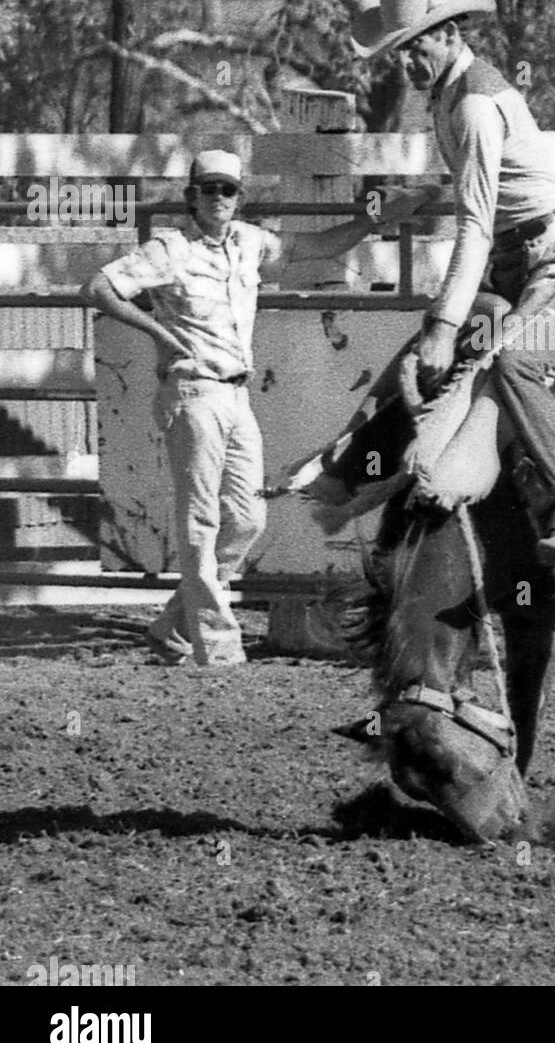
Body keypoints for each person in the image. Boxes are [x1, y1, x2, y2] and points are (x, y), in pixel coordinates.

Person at [303, 0, 555, 567]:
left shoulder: (471, 104)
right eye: (400, 51)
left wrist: (443, 324)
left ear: (449, 34)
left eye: (417, 47)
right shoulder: (448, 79)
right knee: (417, 360)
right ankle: (351, 469)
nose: (407, 61)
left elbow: (476, 223)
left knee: (514, 366)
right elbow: (383, 15)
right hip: (514, 262)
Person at [81, 148, 429, 666]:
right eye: (210, 188)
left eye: (229, 189)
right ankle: (216, 643)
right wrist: (158, 335)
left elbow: (316, 246)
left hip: (235, 394)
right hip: (193, 391)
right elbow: (100, 287)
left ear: (239, 197)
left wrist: (375, 217)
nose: (219, 198)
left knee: (246, 519)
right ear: (192, 196)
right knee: (201, 519)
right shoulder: (170, 250)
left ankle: (172, 622)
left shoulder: (249, 242)